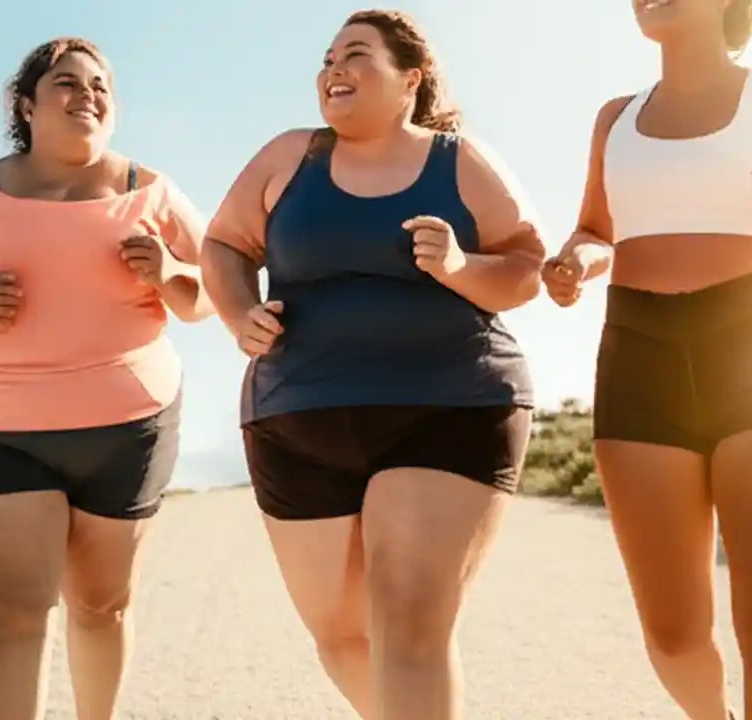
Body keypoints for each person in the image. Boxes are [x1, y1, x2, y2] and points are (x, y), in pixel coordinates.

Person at [199, 9, 543, 720]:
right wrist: (239, 314)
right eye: (326, 59)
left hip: (448, 405)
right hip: (295, 416)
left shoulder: (459, 159)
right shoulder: (290, 155)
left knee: (409, 623)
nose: (332, 70)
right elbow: (225, 245)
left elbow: (525, 265)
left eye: (355, 54)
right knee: (341, 635)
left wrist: (457, 264)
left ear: (410, 78)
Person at [541, 2, 752, 719]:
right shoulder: (614, 118)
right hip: (638, 359)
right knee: (673, 638)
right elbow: (598, 229)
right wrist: (575, 261)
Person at [0, 37, 211, 720]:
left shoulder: (149, 190)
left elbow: (213, 291)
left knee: (102, 607)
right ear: (27, 105)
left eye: (100, 86)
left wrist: (169, 273)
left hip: (128, 427)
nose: (88, 96)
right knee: (12, 616)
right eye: (67, 84)